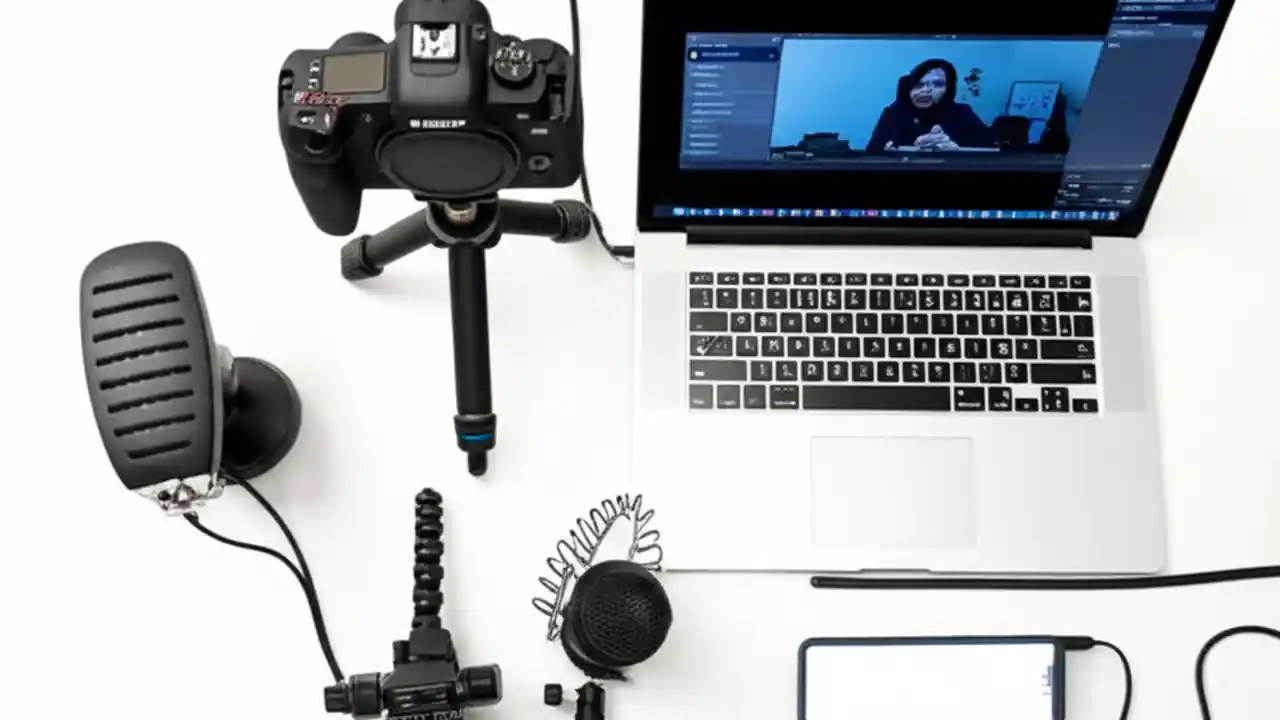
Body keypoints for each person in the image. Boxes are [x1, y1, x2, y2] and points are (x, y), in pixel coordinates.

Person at [866, 59, 995, 152]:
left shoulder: (962, 113)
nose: (926, 90)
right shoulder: (893, 113)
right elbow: (871, 155)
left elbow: (991, 154)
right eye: (920, 84)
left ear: (948, 90)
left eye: (938, 84)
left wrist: (956, 153)